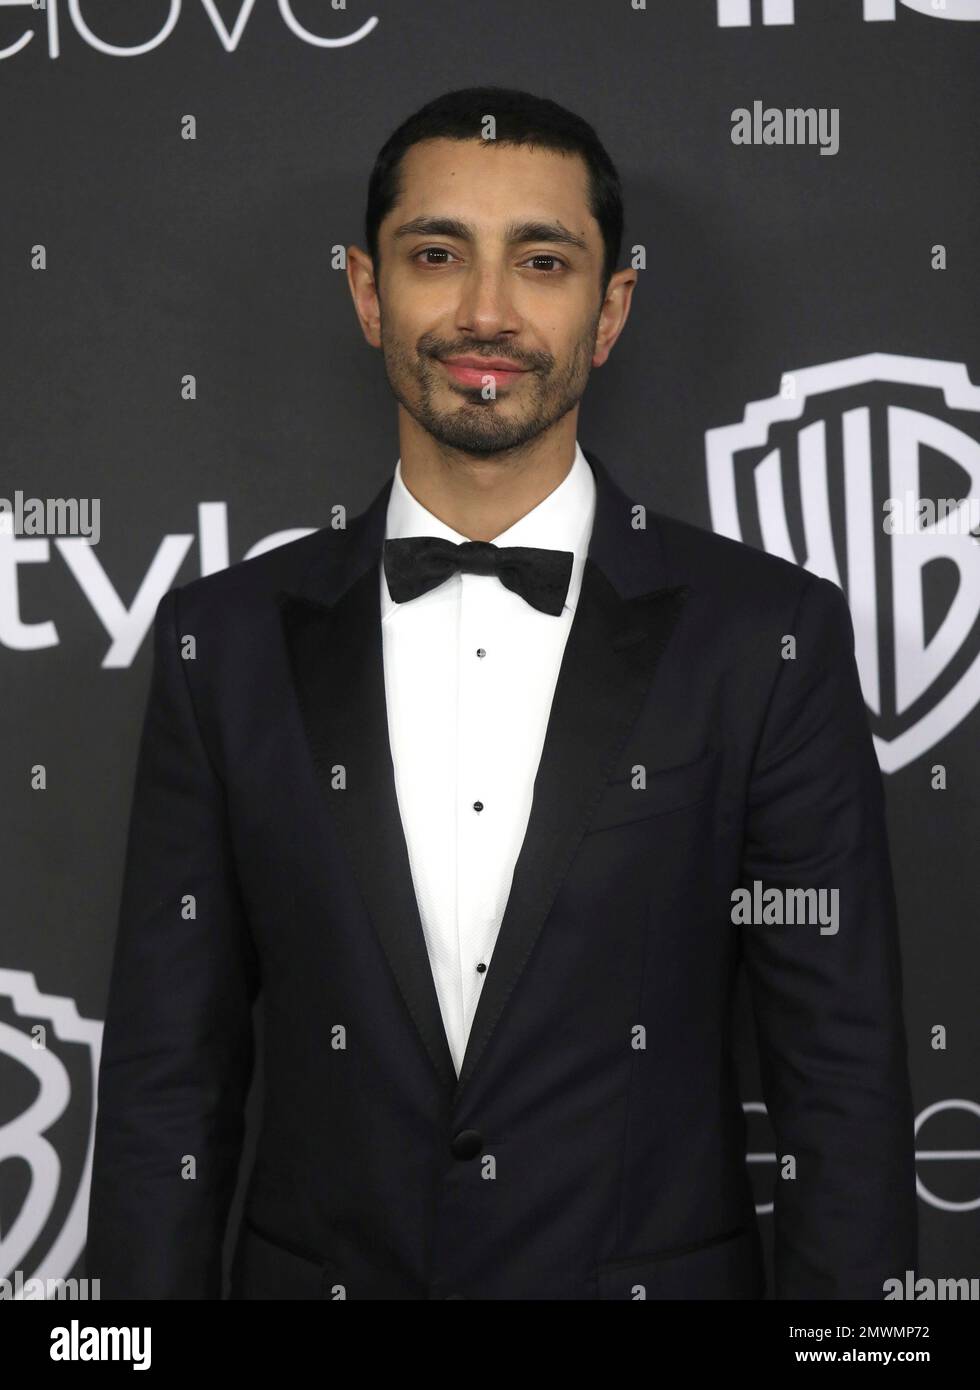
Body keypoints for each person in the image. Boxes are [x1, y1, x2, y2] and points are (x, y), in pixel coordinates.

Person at [86, 86, 916, 1300]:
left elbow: (838, 1081)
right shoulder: (226, 643)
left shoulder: (765, 639)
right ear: (369, 293)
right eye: (436, 255)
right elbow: (168, 1078)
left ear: (609, 306)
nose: (485, 312)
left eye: (541, 260)